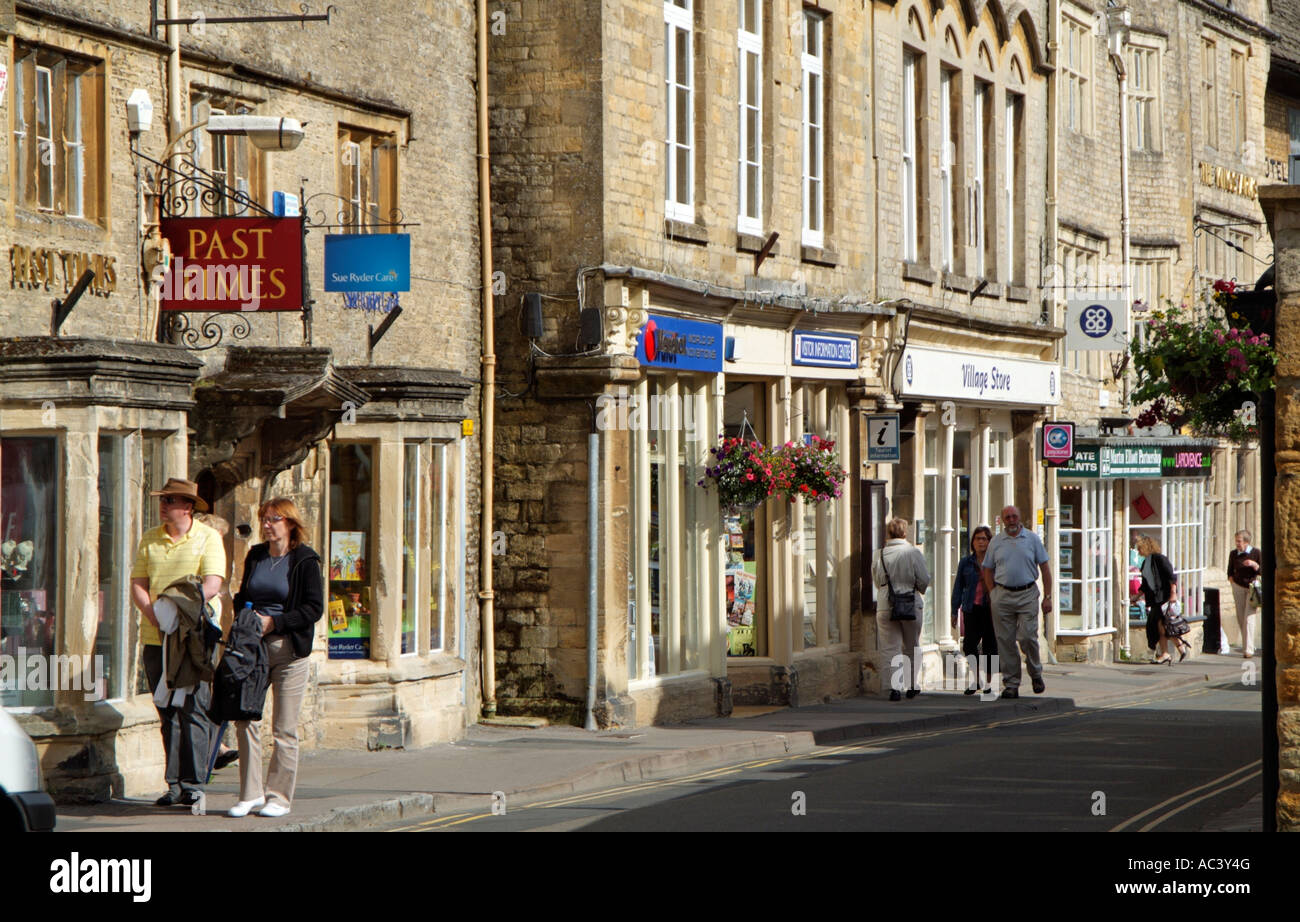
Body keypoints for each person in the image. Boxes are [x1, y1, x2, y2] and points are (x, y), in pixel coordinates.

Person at [130, 477, 226, 807]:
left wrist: (178, 612)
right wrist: (154, 614)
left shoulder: (208, 538)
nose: (163, 505)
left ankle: (195, 781)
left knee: (194, 707)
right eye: (163, 499)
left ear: (187, 507)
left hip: (193, 638)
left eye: (169, 500)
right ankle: (173, 783)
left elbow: (211, 584)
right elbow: (139, 585)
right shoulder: (149, 539)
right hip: (156, 637)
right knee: (166, 710)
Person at [227, 498, 324, 819]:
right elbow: (241, 595)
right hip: (252, 648)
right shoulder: (255, 555)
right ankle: (251, 794)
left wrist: (275, 622)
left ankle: (279, 797)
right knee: (246, 718)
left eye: (274, 519)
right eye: (264, 519)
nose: (267, 525)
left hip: (289, 650)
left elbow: (313, 609)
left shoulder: (305, 560)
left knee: (283, 729)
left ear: (290, 523)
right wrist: (246, 615)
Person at [981, 505, 1051, 699]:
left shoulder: (1032, 539)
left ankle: (1035, 673)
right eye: (1007, 517)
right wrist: (992, 592)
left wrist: (1048, 596)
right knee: (1005, 641)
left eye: (1014, 517)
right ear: (1003, 520)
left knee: (1027, 636)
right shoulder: (996, 542)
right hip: (1002, 595)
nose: (1011, 520)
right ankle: (1011, 684)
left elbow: (1045, 568)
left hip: (1027, 593)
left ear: (1020, 518)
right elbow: (987, 569)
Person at [872, 518, 930, 701]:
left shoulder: (879, 554)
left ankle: (894, 688)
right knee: (912, 645)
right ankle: (912, 685)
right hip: (910, 602)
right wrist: (914, 587)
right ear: (905, 533)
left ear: (888, 533)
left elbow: (877, 580)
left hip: (885, 604)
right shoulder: (913, 552)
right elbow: (924, 579)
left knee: (890, 647)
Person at [952, 526, 996, 696]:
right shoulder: (966, 563)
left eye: (984, 538)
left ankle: (989, 683)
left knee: (990, 645)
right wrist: (954, 611)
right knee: (969, 644)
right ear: (972, 542)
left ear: (989, 542)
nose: (980, 542)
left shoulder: (995, 562)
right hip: (971, 608)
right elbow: (958, 587)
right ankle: (976, 679)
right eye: (977, 538)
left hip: (990, 608)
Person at [1136, 535, 1188, 664]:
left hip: (1164, 596)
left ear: (1146, 547)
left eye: (1140, 548)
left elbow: (1171, 576)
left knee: (1162, 625)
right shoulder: (1145, 562)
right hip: (1154, 599)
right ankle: (1178, 648)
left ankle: (1168, 652)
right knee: (1162, 626)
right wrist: (1136, 596)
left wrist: (1173, 593)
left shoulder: (1160, 559)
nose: (1138, 551)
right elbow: (1145, 584)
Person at [1227, 529, 1261, 659]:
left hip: (1252, 588)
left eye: (1239, 541)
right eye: (1236, 541)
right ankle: (1247, 645)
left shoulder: (1256, 553)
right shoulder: (1233, 554)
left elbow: (1263, 570)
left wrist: (1255, 565)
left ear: (1246, 542)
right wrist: (1232, 581)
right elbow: (1230, 570)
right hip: (1238, 587)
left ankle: (1249, 649)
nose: (1237, 544)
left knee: (1249, 618)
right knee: (1241, 617)